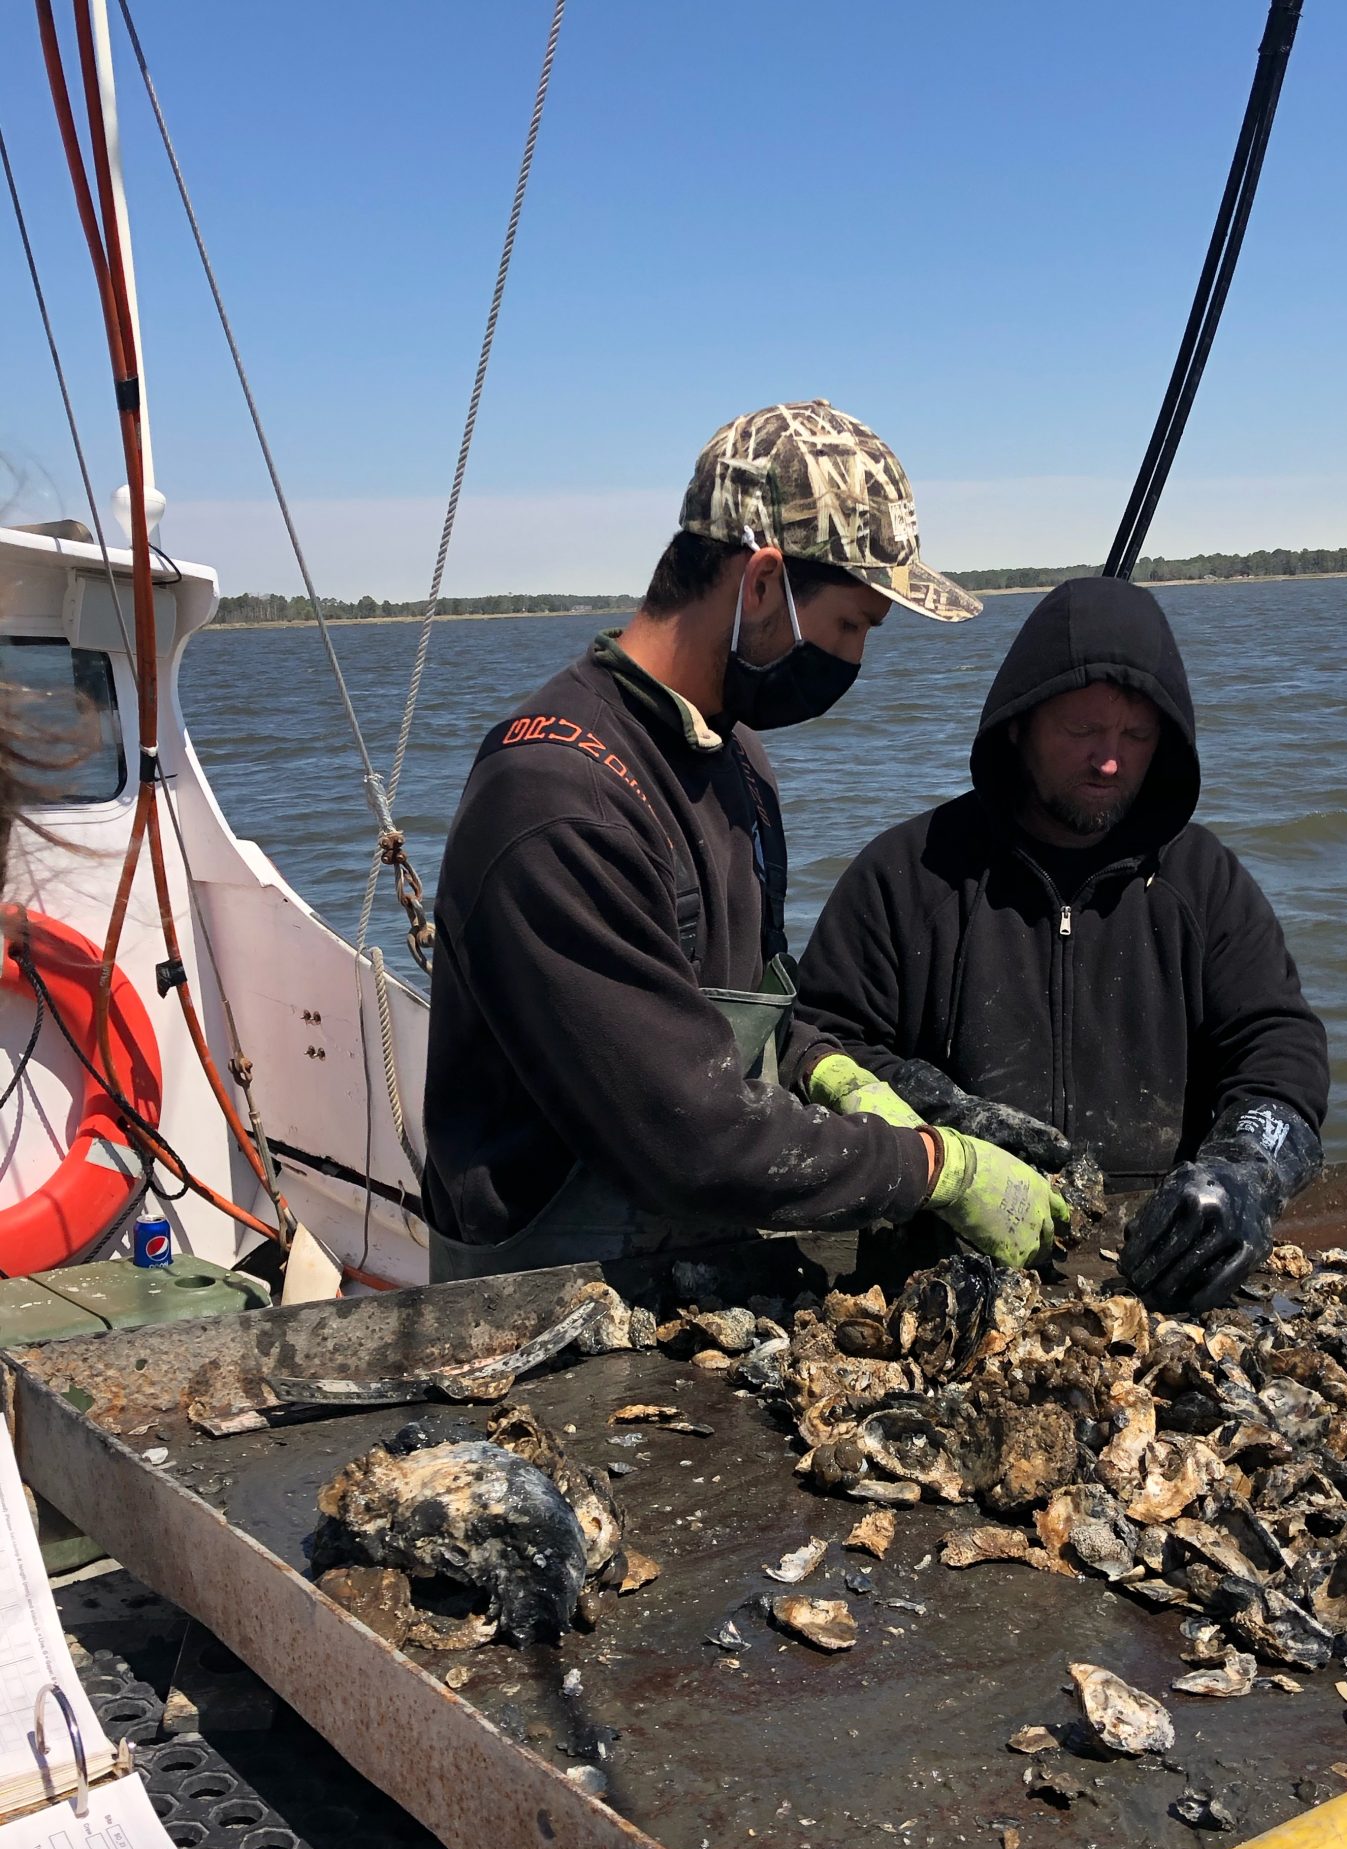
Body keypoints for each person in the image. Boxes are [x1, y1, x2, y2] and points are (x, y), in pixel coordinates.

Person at [422, 400, 1070, 1280]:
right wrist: (930, 1168)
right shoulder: (554, 799)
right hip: (541, 1304)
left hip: (696, 1260)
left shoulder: (736, 761)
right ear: (761, 583)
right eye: (851, 625)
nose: (854, 661)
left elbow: (743, 1017)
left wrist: (832, 1071)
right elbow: (689, 1135)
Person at [796, 574, 1329, 1311]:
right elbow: (817, 1046)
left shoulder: (1202, 881)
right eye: (1082, 732)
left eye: (1136, 737)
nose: (1109, 762)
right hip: (940, 1279)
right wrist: (953, 1120)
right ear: (1018, 725)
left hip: (1153, 1277)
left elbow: (1282, 1057)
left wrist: (1247, 1173)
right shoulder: (909, 875)